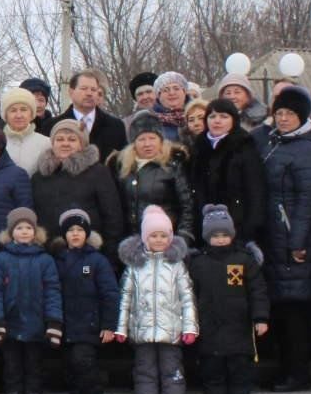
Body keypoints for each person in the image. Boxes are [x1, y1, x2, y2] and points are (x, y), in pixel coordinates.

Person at [258, 85, 311, 392]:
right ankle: (287, 370)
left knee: (295, 310)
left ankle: (298, 373)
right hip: (274, 238)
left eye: (290, 114)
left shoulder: (307, 150)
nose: (283, 119)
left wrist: (296, 241)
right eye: (280, 113)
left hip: (292, 243)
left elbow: (309, 200)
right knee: (282, 308)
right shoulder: (276, 143)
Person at [186, 205, 269, 394]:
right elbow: (189, 295)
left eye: (224, 235)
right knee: (213, 373)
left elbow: (257, 291)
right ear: (207, 237)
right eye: (215, 235)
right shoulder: (197, 263)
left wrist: (260, 318)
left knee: (240, 371)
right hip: (209, 327)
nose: (221, 239)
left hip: (239, 328)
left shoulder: (243, 260)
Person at [115, 205, 198, 394]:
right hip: (142, 331)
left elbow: (187, 298)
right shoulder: (135, 267)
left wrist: (190, 327)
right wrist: (121, 328)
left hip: (171, 330)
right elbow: (126, 299)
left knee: (173, 372)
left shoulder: (177, 266)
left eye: (164, 235)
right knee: (144, 372)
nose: (159, 240)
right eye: (154, 235)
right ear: (144, 238)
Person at [0, 208, 64, 394]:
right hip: (10, 325)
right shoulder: (1, 260)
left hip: (36, 325)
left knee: (34, 367)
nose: (24, 231)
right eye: (19, 228)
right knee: (12, 368)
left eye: (29, 227)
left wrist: (54, 321)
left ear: (35, 231)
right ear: (11, 233)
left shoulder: (45, 260)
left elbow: (52, 291)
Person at [52, 209, 120, 394]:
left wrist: (109, 324)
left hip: (89, 323)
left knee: (84, 361)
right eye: (70, 230)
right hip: (66, 323)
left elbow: (110, 294)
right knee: (70, 364)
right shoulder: (59, 260)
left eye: (79, 230)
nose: (75, 234)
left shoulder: (97, 260)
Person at [31, 119, 122, 255]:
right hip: (49, 256)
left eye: (72, 139)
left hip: (87, 256)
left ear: (82, 144)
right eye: (60, 139)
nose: (65, 143)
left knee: (85, 275)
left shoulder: (98, 173)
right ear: (52, 143)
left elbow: (112, 216)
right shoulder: (39, 177)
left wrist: (109, 254)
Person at [186, 98, 265, 247]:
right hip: (204, 224)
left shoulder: (244, 146)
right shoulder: (199, 146)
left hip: (237, 225)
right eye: (212, 116)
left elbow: (255, 190)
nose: (217, 121)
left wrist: (250, 228)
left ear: (233, 120)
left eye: (223, 116)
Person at [112, 112, 194, 242]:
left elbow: (187, 205)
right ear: (134, 143)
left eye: (152, 138)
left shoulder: (172, 166)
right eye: (141, 139)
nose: (147, 144)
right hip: (134, 241)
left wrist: (183, 237)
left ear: (161, 140)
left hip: (165, 239)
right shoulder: (123, 168)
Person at [52, 69, 129, 164]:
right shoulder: (53, 125)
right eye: (84, 88)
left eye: (93, 89)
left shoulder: (116, 126)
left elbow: (123, 164)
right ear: (71, 92)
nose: (89, 93)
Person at [0, 86, 50, 173]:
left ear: (31, 114)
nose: (19, 115)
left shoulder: (46, 143)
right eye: (13, 110)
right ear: (5, 116)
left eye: (23, 110)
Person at [150, 72, 192, 143]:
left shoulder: (200, 113)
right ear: (159, 96)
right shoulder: (151, 120)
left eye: (176, 88)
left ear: (184, 92)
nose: (172, 93)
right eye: (166, 90)